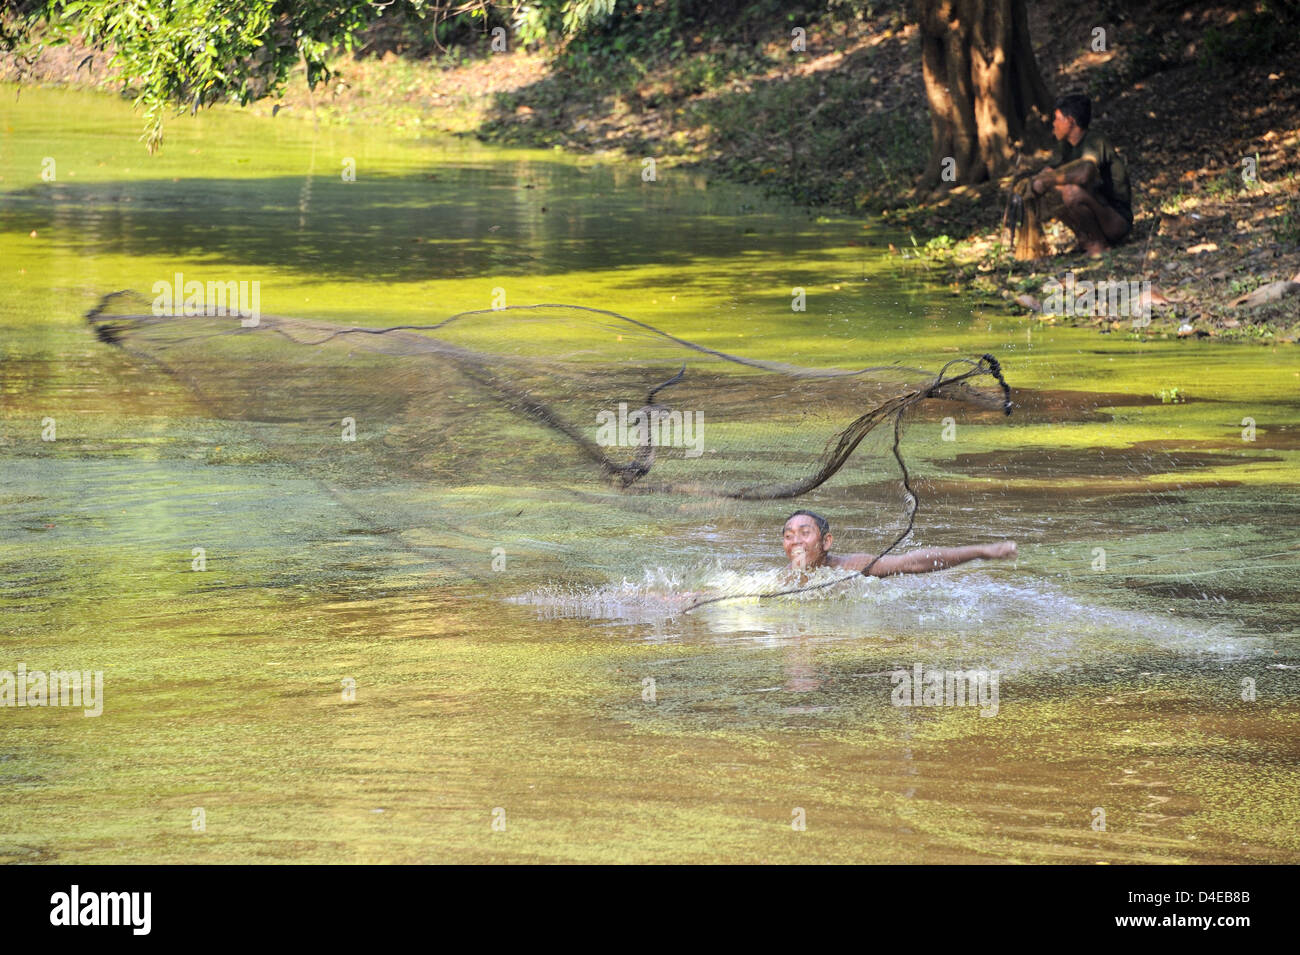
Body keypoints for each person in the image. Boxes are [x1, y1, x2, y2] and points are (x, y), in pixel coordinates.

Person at [1028, 93, 1133, 257]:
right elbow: (1058, 171)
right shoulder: (1067, 146)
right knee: (1051, 191)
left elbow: (1084, 174)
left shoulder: (1095, 141)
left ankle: (1099, 244)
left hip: (1115, 220)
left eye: (1057, 119)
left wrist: (1047, 180)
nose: (1054, 124)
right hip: (1100, 211)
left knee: (1071, 192)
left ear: (1070, 121)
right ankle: (1085, 240)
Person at [781, 510, 1016, 576]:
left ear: (826, 541)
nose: (796, 542)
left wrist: (980, 551)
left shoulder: (851, 567)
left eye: (804, 533)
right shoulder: (778, 581)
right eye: (789, 536)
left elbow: (911, 563)